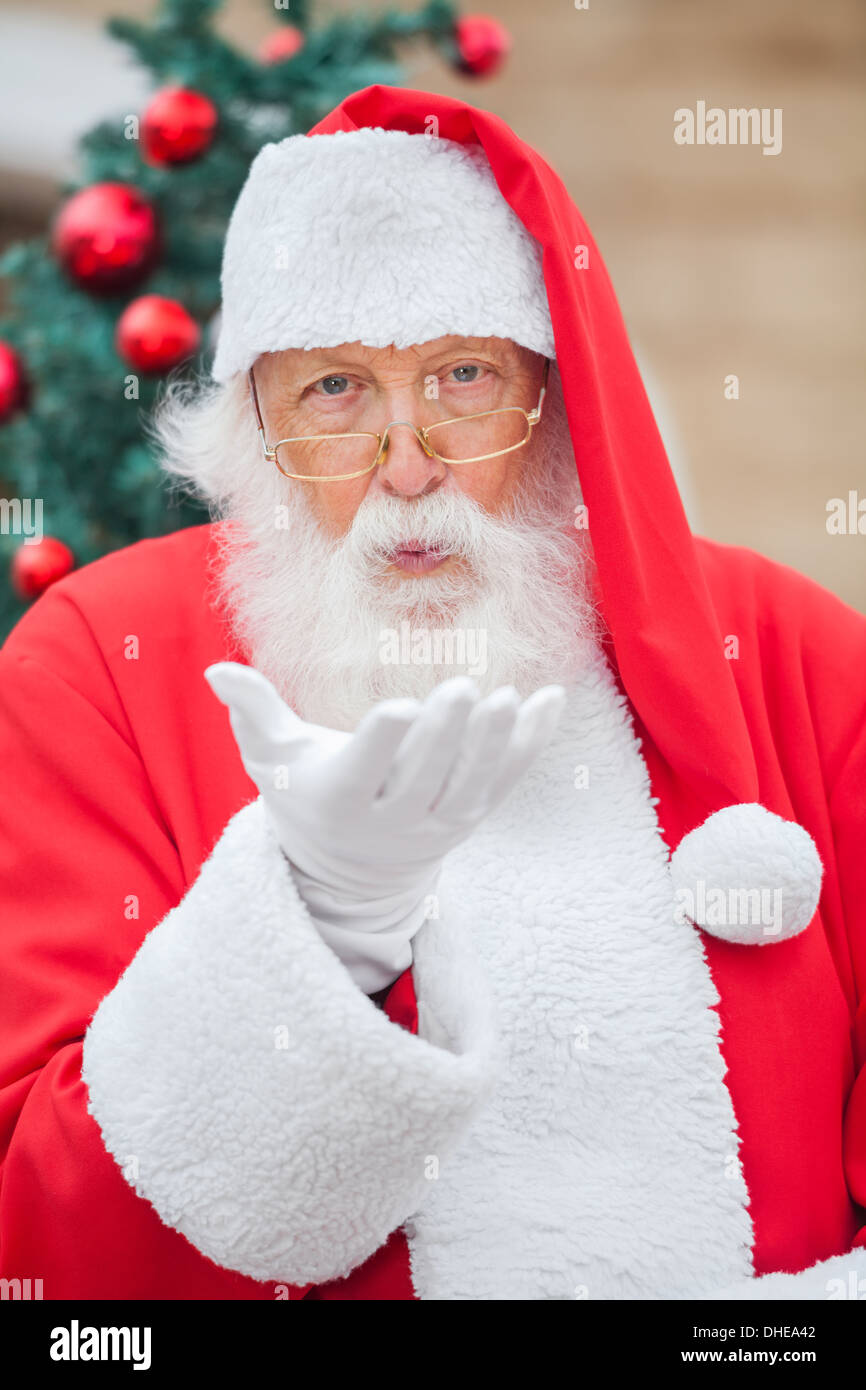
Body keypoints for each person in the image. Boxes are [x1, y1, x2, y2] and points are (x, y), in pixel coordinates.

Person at [0, 84, 864, 1302]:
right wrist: (315, 921)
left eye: (463, 376)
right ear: (251, 427)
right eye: (333, 391)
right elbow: (44, 1230)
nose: (407, 469)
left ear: (553, 399)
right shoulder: (98, 659)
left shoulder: (786, 649)